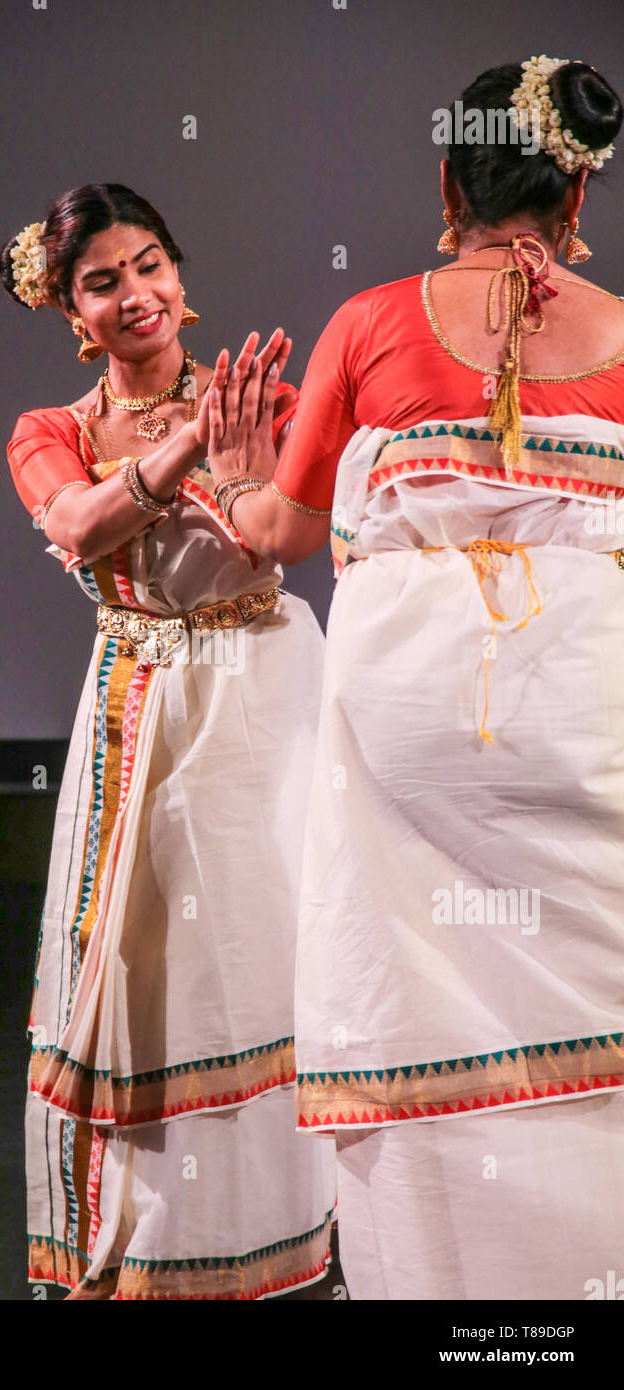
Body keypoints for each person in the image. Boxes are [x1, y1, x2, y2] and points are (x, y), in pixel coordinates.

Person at [204, 58, 624, 1299]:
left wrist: (235, 479)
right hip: (582, 711)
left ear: (448, 178)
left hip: (411, 728)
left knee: (416, 991)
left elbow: (277, 534)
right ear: (576, 186)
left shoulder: (372, 323)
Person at [0, 183, 335, 1299]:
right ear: (69, 313)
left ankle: (275, 1244)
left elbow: (285, 535)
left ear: (179, 277)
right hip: (136, 698)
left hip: (256, 693)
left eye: (149, 265)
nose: (135, 293)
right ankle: (146, 1252)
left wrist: (236, 462)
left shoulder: (261, 400)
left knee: (248, 956)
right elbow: (73, 524)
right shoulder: (52, 432)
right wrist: (192, 443)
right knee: (142, 964)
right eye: (103, 281)